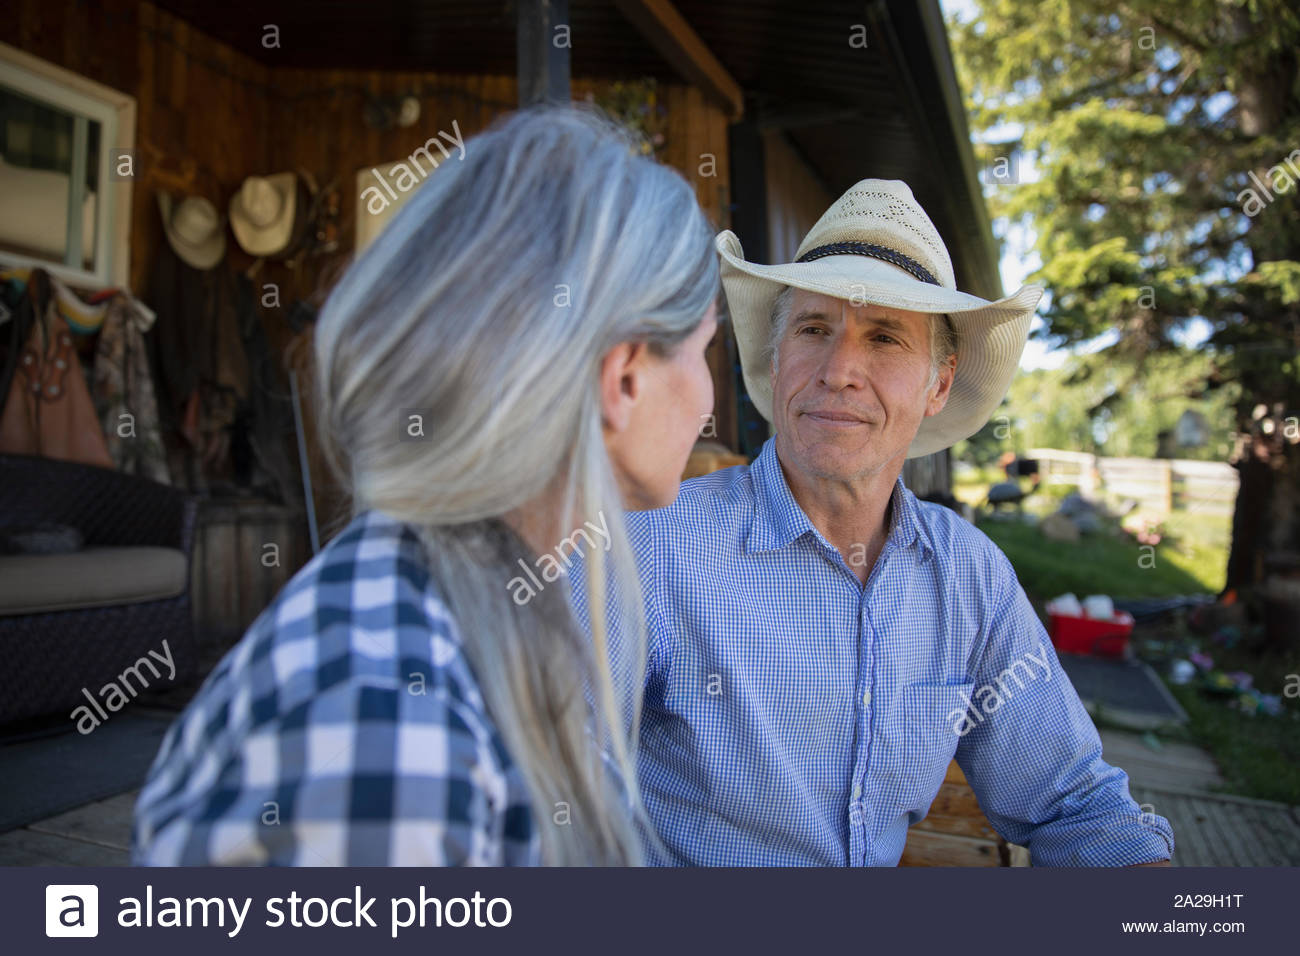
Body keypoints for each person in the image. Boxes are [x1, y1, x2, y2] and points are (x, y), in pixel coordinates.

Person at [131, 106, 720, 866]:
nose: (709, 396)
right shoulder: (384, 726)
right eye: (708, 348)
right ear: (626, 377)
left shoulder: (488, 595)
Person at [577, 179, 1175, 866]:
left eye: (885, 337)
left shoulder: (967, 576)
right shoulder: (650, 547)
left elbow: (1074, 802)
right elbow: (543, 801)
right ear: (777, 361)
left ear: (939, 384)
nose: (839, 371)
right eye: (813, 330)